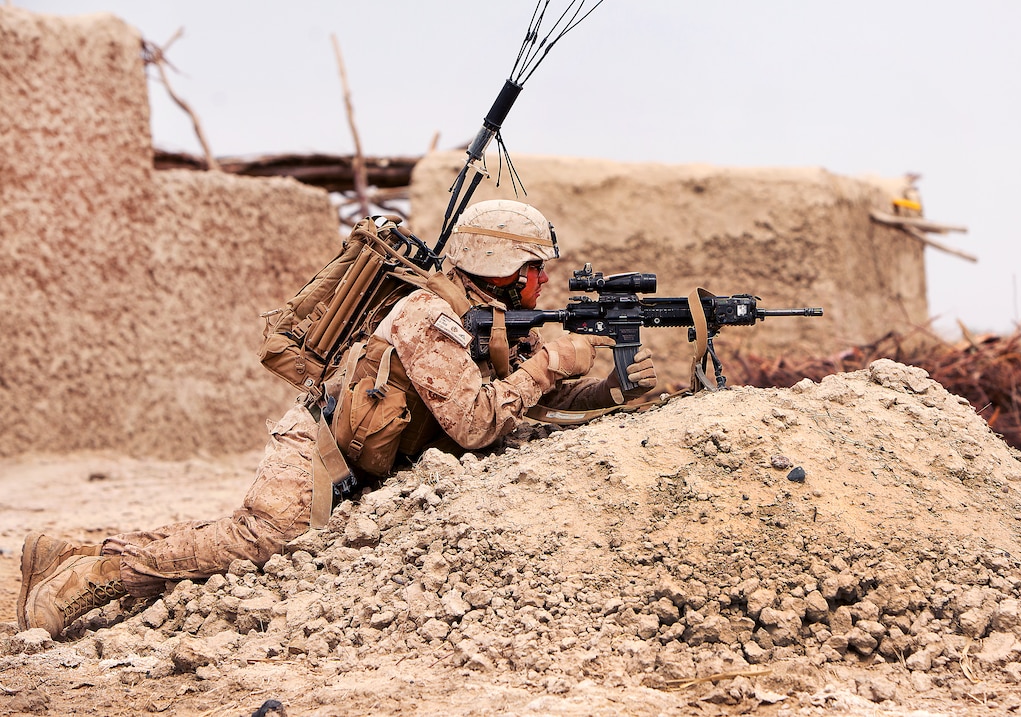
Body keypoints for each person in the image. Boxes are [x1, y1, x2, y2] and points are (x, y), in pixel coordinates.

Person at [18, 199, 657, 639]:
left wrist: (606, 388)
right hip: (319, 445)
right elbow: (476, 423)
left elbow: (525, 409)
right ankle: (92, 578)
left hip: (358, 453)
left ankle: (64, 552)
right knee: (255, 541)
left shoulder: (493, 323)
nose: (544, 279)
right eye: (535, 266)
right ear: (502, 268)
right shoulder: (430, 318)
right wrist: (547, 365)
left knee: (244, 538)